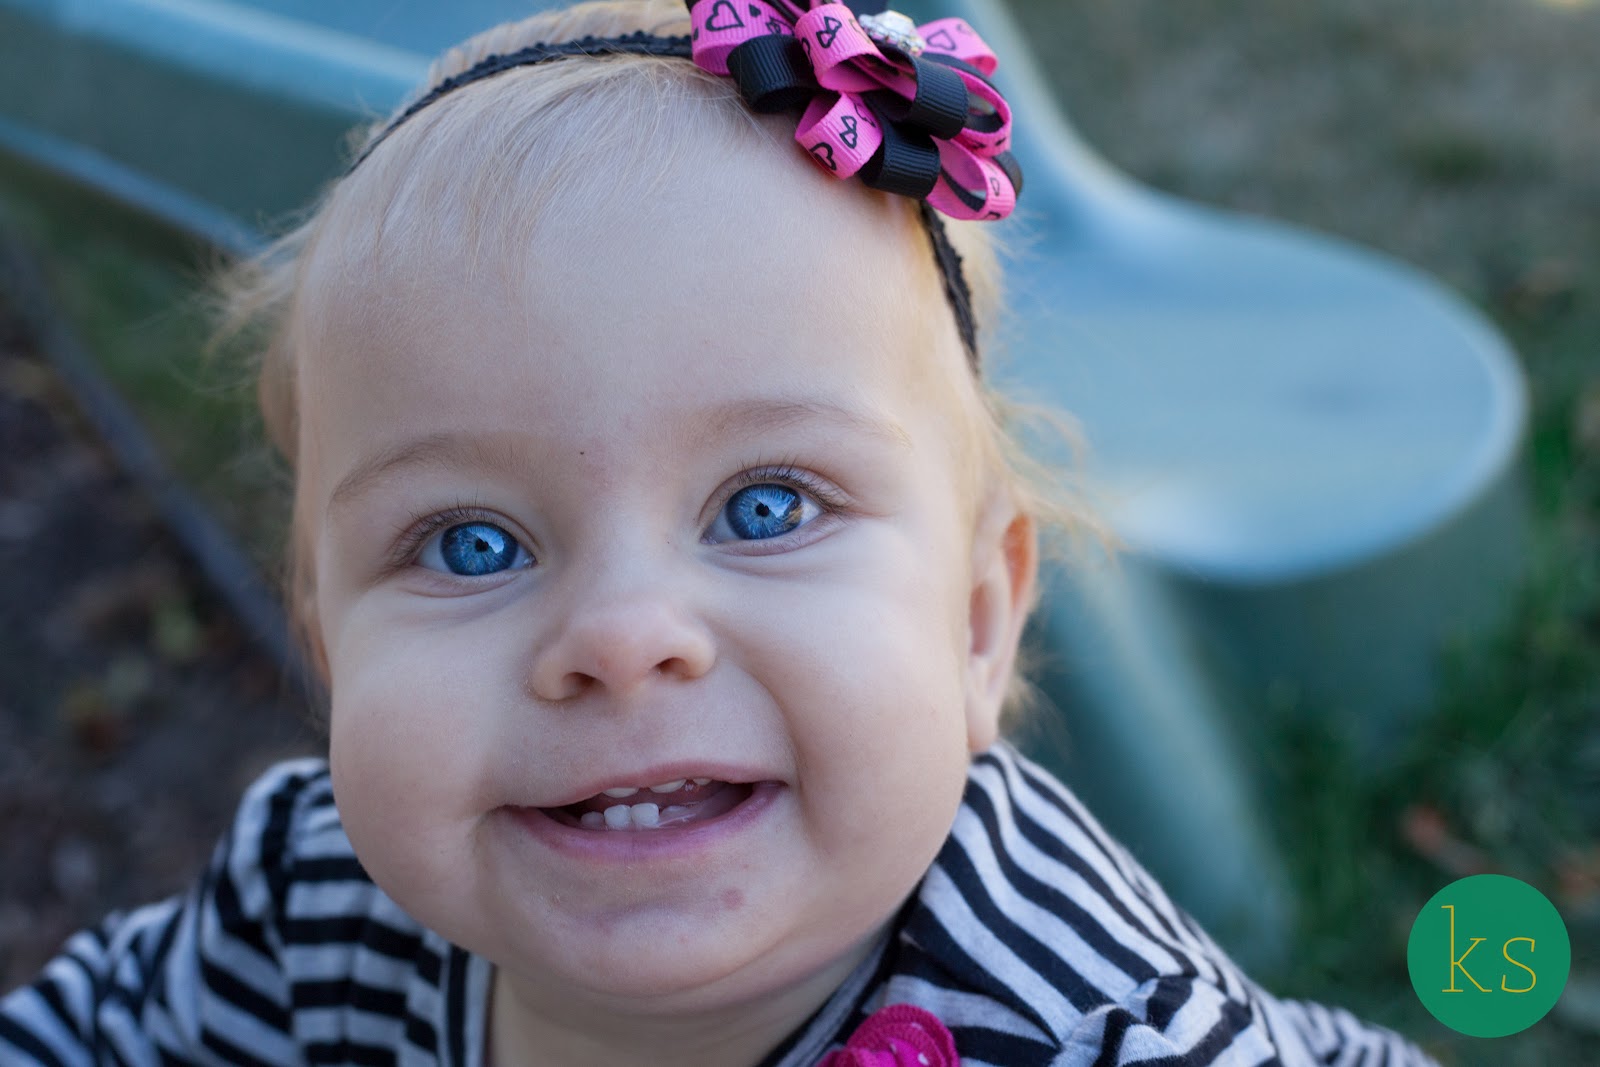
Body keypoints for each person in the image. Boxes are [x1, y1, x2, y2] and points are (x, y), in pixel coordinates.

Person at [1, 1, 1439, 1063]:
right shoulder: (312, 903)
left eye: (766, 509)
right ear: (327, 637)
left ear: (979, 621)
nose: (623, 640)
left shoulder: (1084, 1024)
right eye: (470, 544)